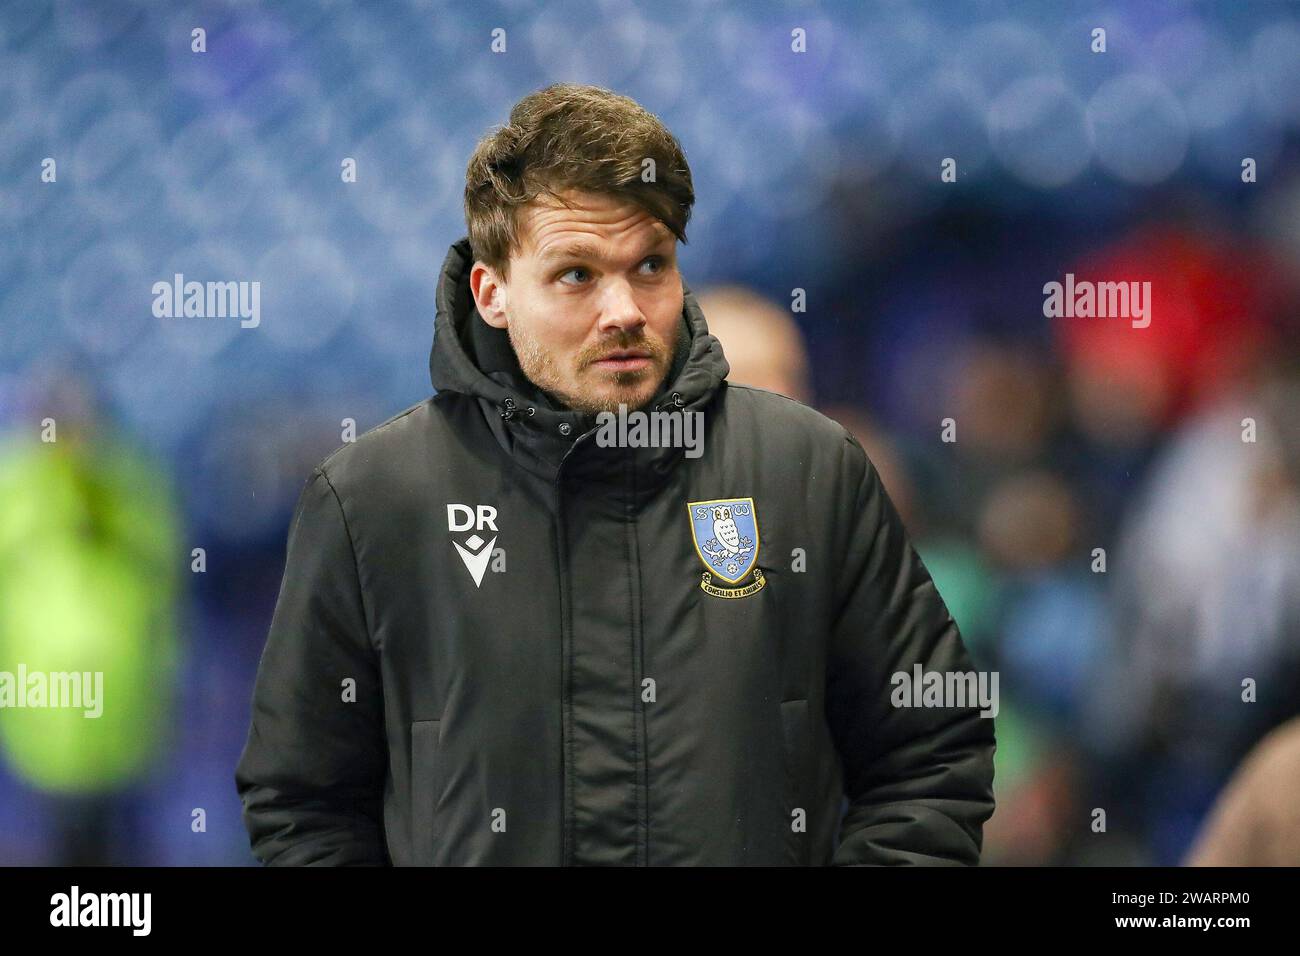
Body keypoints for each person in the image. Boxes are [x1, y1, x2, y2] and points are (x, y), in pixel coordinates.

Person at [234, 82, 995, 866]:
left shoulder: (810, 471)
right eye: (577, 275)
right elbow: (303, 804)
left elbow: (932, 751)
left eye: (651, 266)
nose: (624, 309)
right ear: (491, 293)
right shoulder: (372, 501)